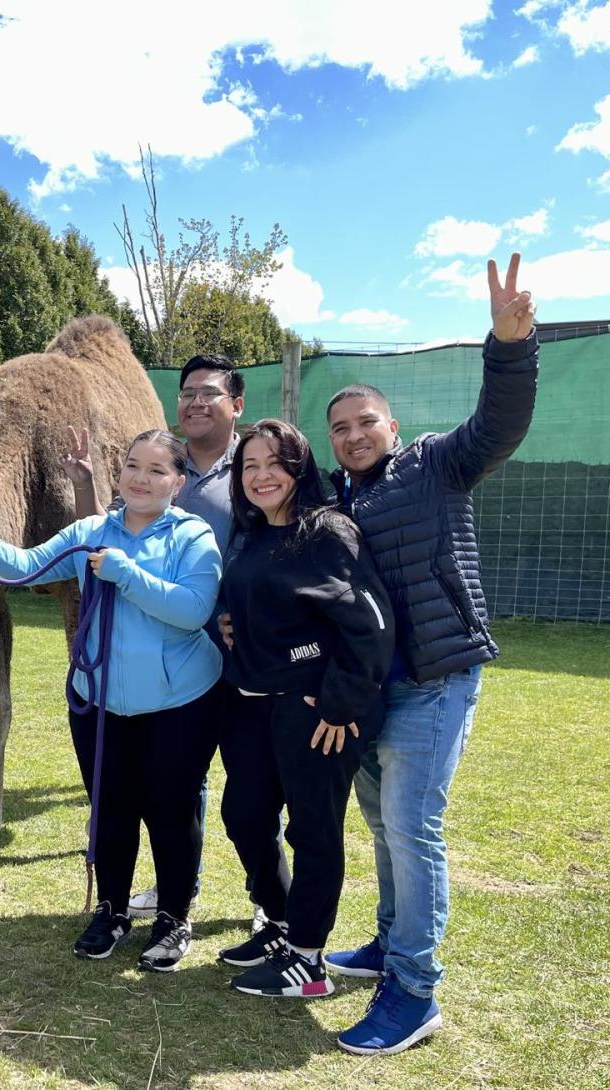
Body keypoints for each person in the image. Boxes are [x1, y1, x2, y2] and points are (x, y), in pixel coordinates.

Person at [322, 255, 539, 1054]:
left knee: (412, 825)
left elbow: (499, 425)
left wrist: (511, 347)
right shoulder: (337, 497)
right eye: (338, 428)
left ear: (393, 428)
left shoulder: (434, 464)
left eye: (363, 423)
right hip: (376, 691)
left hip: (437, 680)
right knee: (381, 824)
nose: (350, 437)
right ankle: (387, 944)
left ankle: (413, 992)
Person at [0, 430, 221, 972]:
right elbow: (22, 566)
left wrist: (125, 573)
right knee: (112, 809)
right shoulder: (91, 531)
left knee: (171, 813)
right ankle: (112, 910)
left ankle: (174, 917)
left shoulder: (194, 537)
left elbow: (193, 610)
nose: (140, 479)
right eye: (131, 466)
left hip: (178, 704)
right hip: (98, 703)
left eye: (155, 470)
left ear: (177, 480)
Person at [65, 356, 290, 928]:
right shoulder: (160, 461)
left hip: (243, 653)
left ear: (236, 403)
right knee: (171, 791)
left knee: (251, 795)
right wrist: (88, 483)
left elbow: (283, 550)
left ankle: (272, 907)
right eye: (186, 392)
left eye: (208, 393)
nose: (193, 402)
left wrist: (255, 616)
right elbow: (111, 540)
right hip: (176, 658)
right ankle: (176, 900)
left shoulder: (255, 468)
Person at [211, 419, 393, 999]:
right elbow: (252, 605)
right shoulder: (252, 531)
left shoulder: (328, 531)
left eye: (274, 463)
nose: (261, 476)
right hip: (253, 704)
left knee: (312, 831)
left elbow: (370, 625)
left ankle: (308, 961)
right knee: (243, 814)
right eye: (249, 466)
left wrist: (339, 704)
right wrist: (230, 630)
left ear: (299, 466)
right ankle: (282, 923)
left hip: (315, 712)